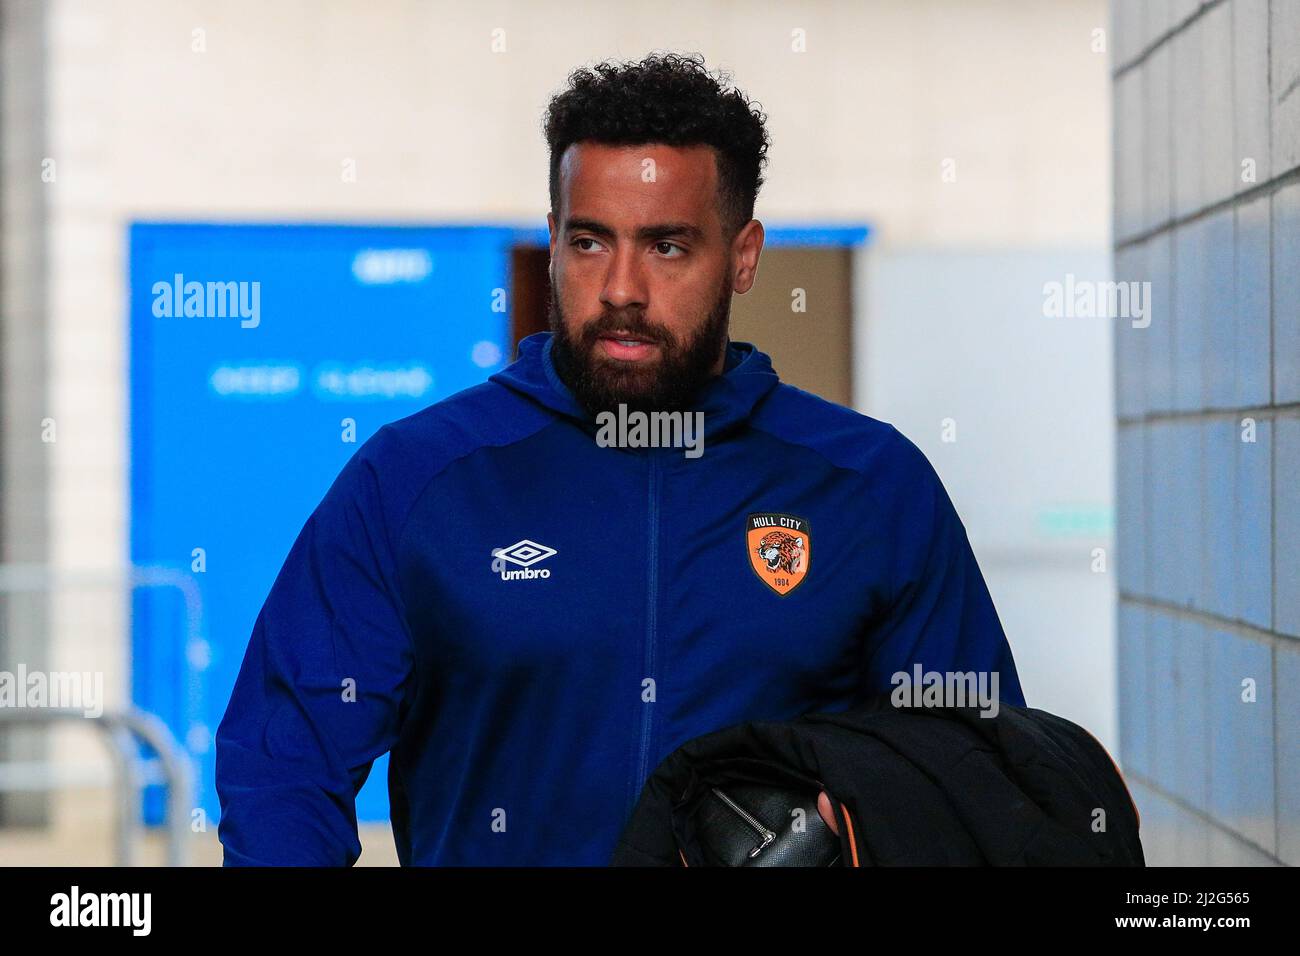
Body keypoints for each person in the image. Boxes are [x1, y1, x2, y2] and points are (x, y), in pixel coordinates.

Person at [214, 51, 1026, 866]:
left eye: (667, 246)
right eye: (591, 242)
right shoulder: (418, 478)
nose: (622, 288)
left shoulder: (869, 486)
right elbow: (283, 763)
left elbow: (974, 777)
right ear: (555, 242)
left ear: (743, 255)